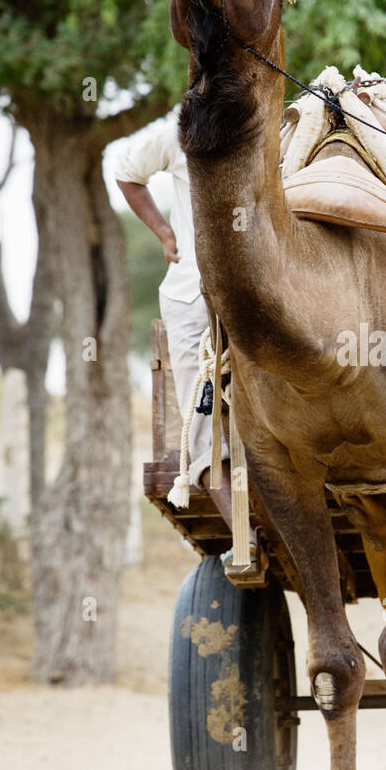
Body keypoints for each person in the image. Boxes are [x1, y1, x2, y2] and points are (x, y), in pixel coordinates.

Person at [115, 112, 235, 535]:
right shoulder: (178, 131)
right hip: (191, 297)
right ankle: (244, 534)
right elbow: (127, 173)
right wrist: (167, 235)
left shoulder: (269, 126)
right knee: (202, 411)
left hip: (251, 294)